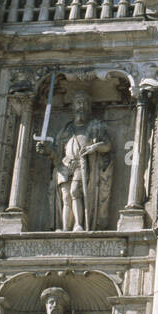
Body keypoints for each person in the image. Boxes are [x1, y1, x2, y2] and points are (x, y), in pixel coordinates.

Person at [37, 88, 114, 231]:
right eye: (78, 103)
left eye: (84, 103)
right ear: (73, 106)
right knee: (66, 197)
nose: (81, 106)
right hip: (64, 166)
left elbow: (107, 145)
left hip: (81, 165)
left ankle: (78, 224)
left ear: (89, 107)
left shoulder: (94, 127)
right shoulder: (66, 129)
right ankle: (65, 228)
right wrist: (47, 150)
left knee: (74, 192)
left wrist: (94, 147)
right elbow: (57, 153)